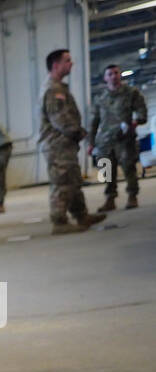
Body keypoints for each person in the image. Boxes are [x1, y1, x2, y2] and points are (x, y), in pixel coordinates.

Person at [39, 48, 106, 234]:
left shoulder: (58, 87)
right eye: (67, 60)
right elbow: (59, 119)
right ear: (55, 65)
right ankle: (59, 222)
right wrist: (79, 132)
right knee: (62, 182)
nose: (71, 63)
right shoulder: (53, 89)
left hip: (64, 143)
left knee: (73, 180)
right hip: (57, 143)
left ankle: (81, 215)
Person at [88, 63, 148, 210]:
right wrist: (91, 143)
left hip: (124, 138)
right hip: (105, 141)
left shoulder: (131, 92)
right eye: (110, 74)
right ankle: (110, 199)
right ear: (105, 78)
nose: (113, 76)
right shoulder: (100, 98)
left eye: (116, 73)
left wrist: (136, 122)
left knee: (129, 168)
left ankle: (132, 196)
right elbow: (94, 121)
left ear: (120, 75)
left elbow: (141, 111)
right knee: (106, 171)